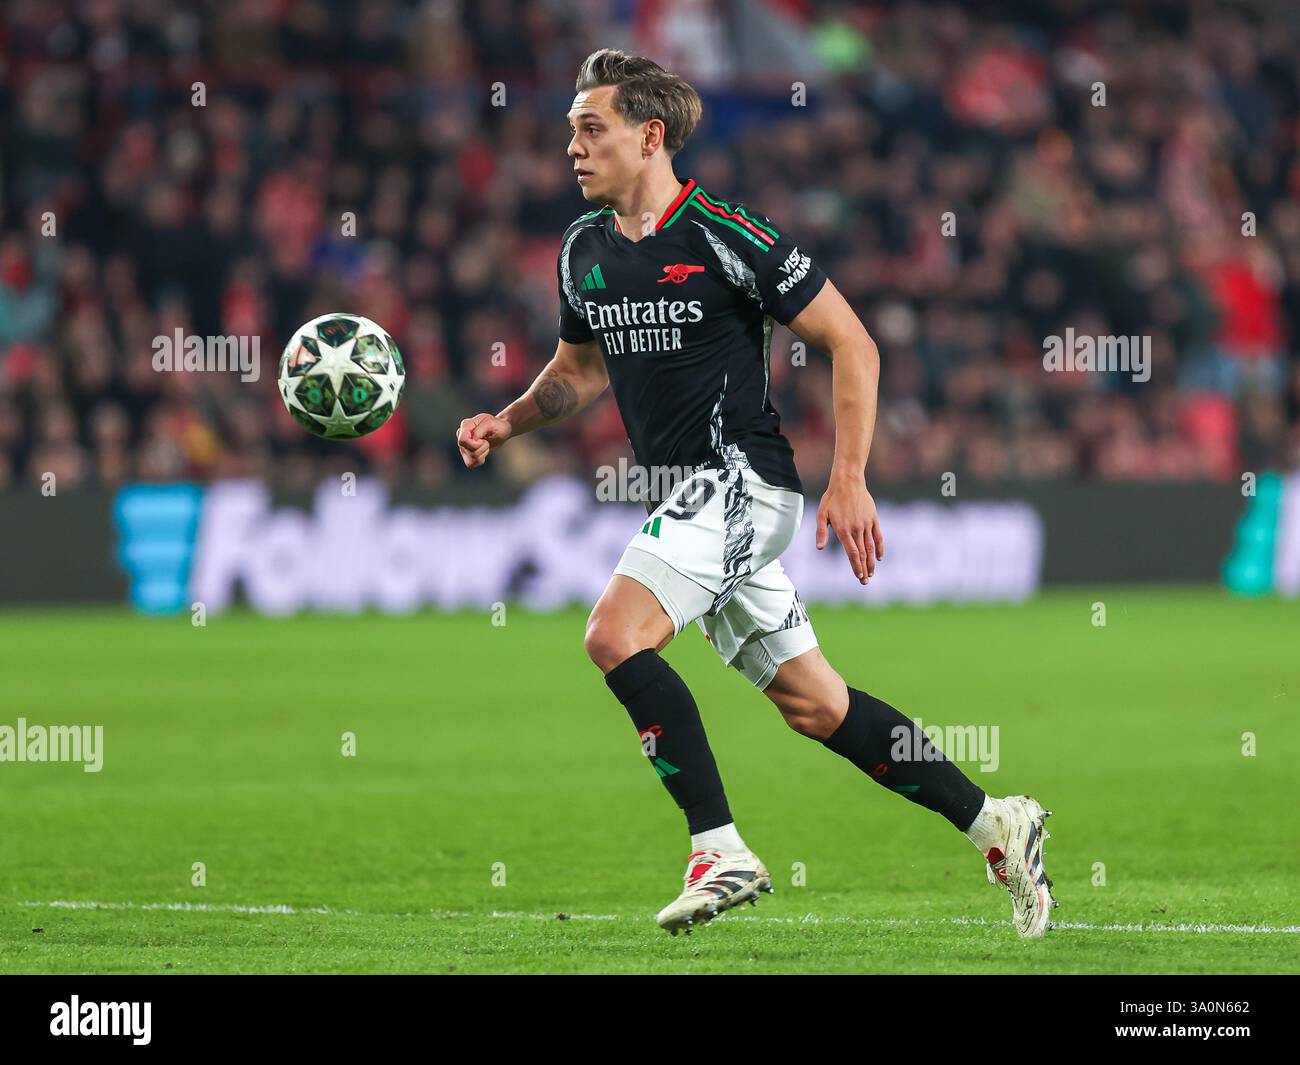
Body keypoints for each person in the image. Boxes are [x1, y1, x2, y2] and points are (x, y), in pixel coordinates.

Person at [456, 49, 1056, 938]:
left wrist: (848, 476)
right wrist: (509, 419)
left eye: (592, 128)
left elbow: (853, 342)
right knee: (817, 704)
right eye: (570, 131)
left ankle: (720, 848)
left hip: (740, 478)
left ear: (649, 136)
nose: (572, 147)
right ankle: (995, 821)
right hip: (694, 498)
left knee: (612, 634)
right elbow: (577, 373)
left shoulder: (726, 233)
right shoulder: (583, 249)